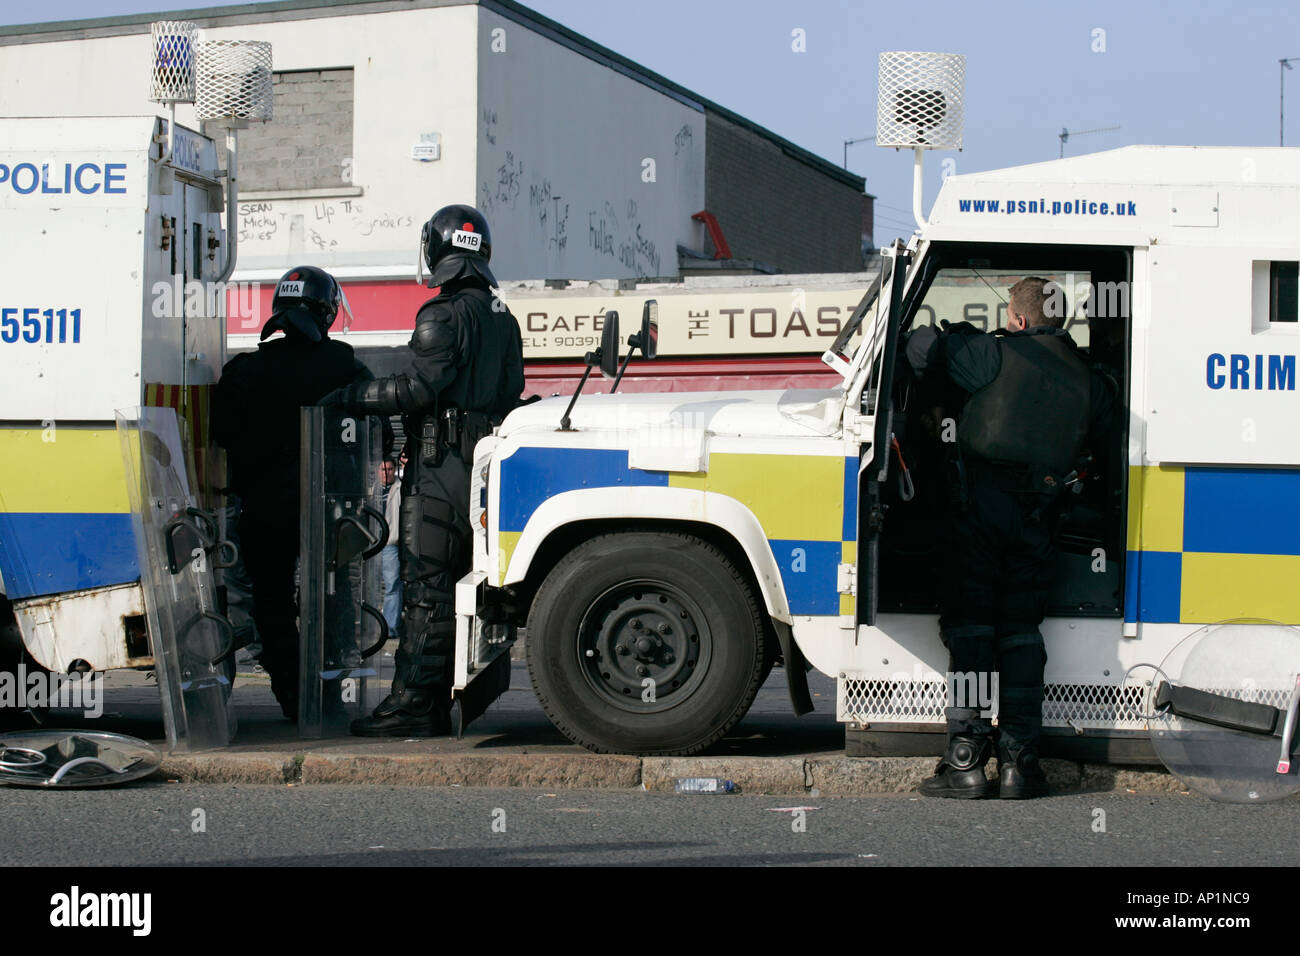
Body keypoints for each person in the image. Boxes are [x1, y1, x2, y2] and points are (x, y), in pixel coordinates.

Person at [322, 204, 524, 736]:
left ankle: (415, 704)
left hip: (438, 470)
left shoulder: (443, 314)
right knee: (467, 589)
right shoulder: (503, 315)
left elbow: (415, 390)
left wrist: (348, 396)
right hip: (485, 470)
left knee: (426, 591)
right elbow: (509, 393)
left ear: (439, 249)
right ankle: (438, 700)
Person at [911, 277, 1116, 799]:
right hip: (1041, 518)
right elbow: (1105, 453)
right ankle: (1021, 762)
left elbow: (917, 349)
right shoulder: (1091, 381)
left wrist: (954, 335)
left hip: (977, 513)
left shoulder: (988, 355)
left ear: (1018, 319)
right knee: (1022, 631)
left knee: (973, 629)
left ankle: (967, 761)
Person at [212, 265, 378, 720]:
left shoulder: (246, 369)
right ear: (324, 312)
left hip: (265, 508)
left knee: (272, 604)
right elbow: (375, 425)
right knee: (335, 600)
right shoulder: (344, 364)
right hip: (332, 510)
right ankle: (330, 694)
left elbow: (222, 432)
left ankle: (292, 695)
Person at [379, 457, 403, 639]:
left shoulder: (400, 489)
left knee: (392, 585)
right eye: (382, 469)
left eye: (389, 469)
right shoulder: (372, 491)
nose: (386, 473)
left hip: (390, 543)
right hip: (372, 542)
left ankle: (390, 627)